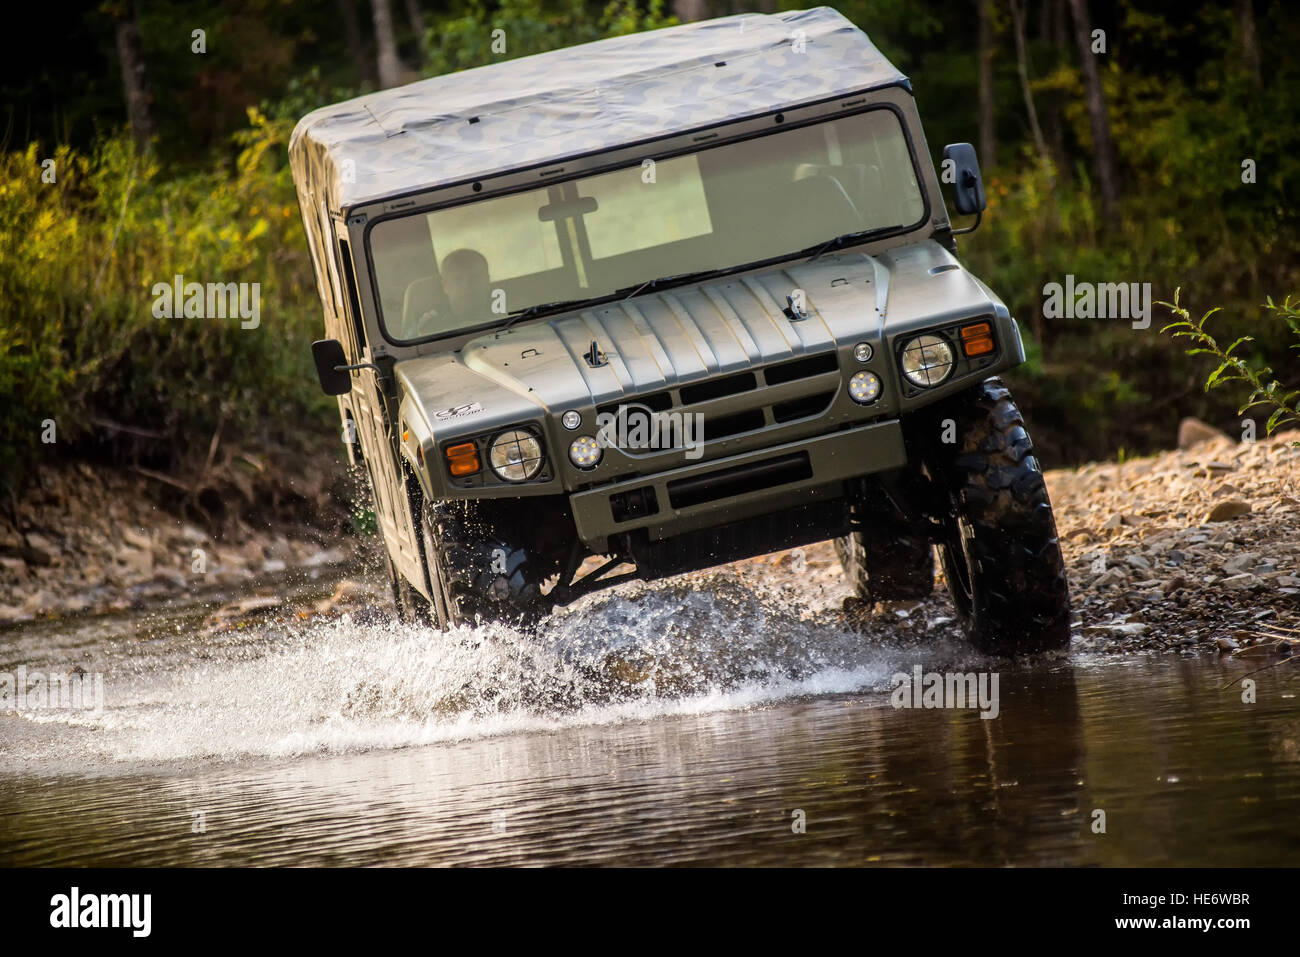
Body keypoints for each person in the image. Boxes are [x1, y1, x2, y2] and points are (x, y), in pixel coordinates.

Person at [440, 248, 492, 324]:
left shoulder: (510, 317)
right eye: (458, 280)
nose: (467, 286)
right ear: (445, 286)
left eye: (475, 278)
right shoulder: (436, 329)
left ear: (487, 280)